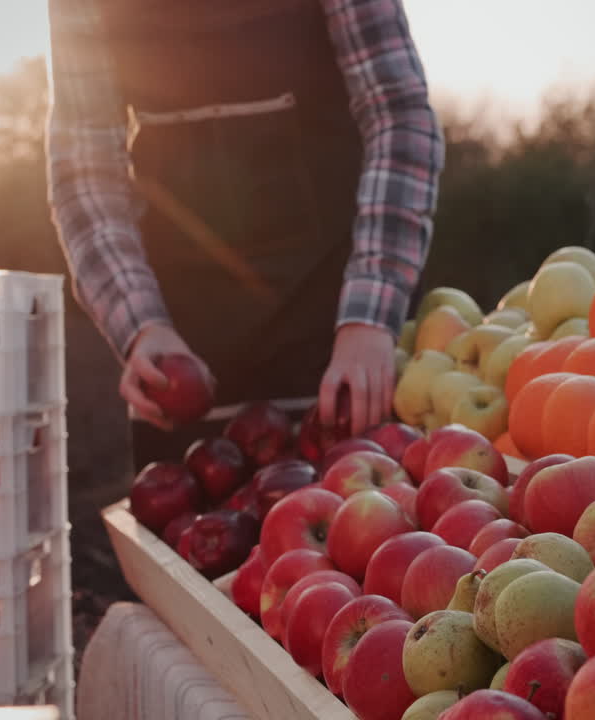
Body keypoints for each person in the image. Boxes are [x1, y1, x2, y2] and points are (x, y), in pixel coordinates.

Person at [44, 0, 444, 470]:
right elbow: (85, 171)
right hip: (184, 350)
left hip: (339, 344)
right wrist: (141, 325)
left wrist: (370, 318)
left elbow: (398, 117)